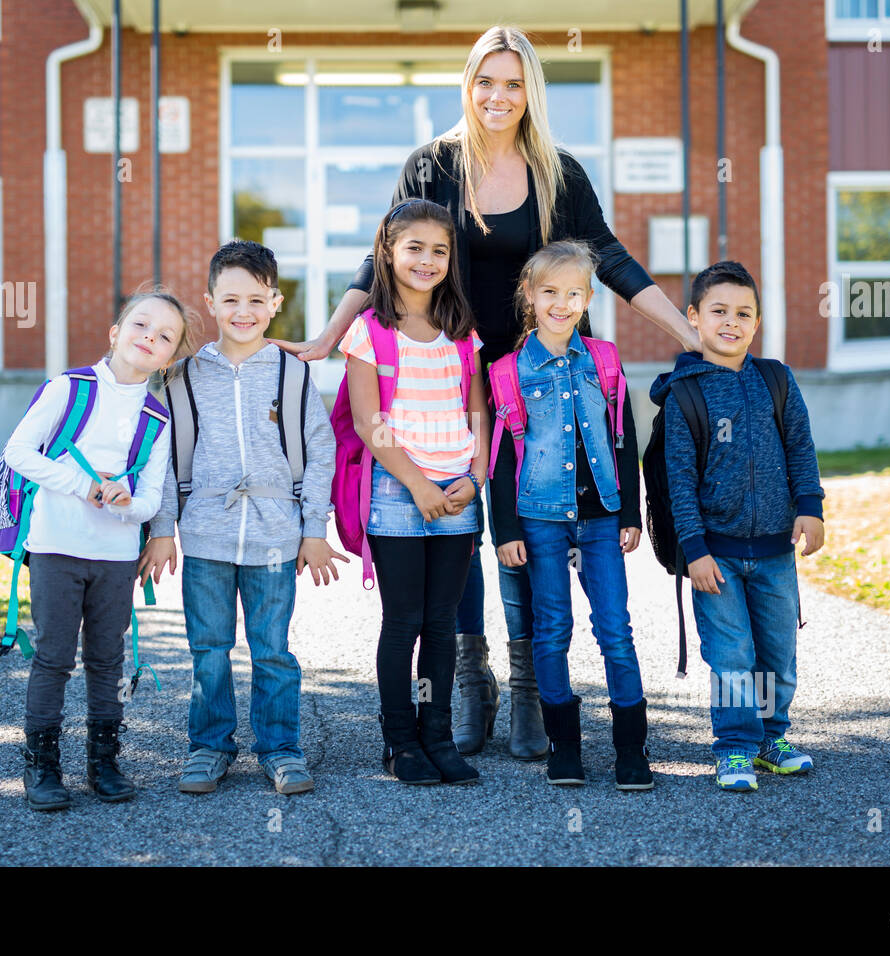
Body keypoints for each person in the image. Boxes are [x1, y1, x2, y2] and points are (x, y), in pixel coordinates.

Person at [280, 25, 700, 760]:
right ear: (468, 86)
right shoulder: (432, 166)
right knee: (463, 523)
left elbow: (613, 262)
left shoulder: (559, 173)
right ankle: (471, 677)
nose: (498, 97)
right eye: (486, 81)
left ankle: (530, 684)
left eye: (513, 83)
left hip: (542, 380)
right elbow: (378, 258)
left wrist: (688, 333)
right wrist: (325, 339)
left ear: (529, 90)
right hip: (450, 371)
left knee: (527, 526)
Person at [139, 240, 344, 797]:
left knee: (272, 649)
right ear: (209, 302)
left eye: (256, 299)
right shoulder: (181, 377)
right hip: (204, 534)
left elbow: (319, 451)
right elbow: (161, 456)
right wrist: (162, 530)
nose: (243, 311)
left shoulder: (293, 374)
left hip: (276, 537)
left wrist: (314, 530)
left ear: (275, 302)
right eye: (230, 299)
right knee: (209, 649)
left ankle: (280, 749)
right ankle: (209, 746)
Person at [3, 288, 193, 810]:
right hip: (55, 546)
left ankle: (103, 762)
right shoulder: (68, 389)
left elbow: (153, 497)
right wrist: (81, 486)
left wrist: (127, 503)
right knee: (54, 657)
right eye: (140, 325)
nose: (149, 337)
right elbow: (17, 451)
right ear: (115, 332)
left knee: (107, 661)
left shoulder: (158, 419)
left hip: (114, 556)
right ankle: (42, 768)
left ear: (171, 356)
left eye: (164, 336)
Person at [649, 261, 825, 792]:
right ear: (694, 318)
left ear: (758, 321)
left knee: (775, 654)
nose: (732, 321)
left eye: (743, 312)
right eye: (719, 311)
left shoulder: (777, 379)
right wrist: (693, 548)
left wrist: (810, 505)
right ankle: (734, 749)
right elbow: (678, 479)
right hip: (716, 554)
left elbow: (800, 445)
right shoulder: (686, 394)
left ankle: (771, 739)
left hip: (775, 550)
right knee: (731, 657)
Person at [490, 241, 652, 790]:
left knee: (615, 628)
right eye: (550, 292)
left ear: (587, 297)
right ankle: (565, 747)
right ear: (530, 295)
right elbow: (501, 456)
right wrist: (505, 529)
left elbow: (624, 440)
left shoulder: (604, 360)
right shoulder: (509, 371)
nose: (562, 302)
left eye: (574, 292)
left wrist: (631, 510)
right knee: (552, 628)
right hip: (539, 518)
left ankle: (631, 749)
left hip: (602, 517)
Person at [339, 198, 488, 785]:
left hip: (457, 494)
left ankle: (438, 736)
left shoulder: (461, 330)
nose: (428, 261)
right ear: (388, 252)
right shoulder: (368, 330)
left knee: (443, 620)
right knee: (403, 621)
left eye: (440, 251)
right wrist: (418, 484)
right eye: (415, 248)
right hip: (398, 494)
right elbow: (370, 423)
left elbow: (479, 411)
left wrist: (474, 479)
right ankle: (400, 742)